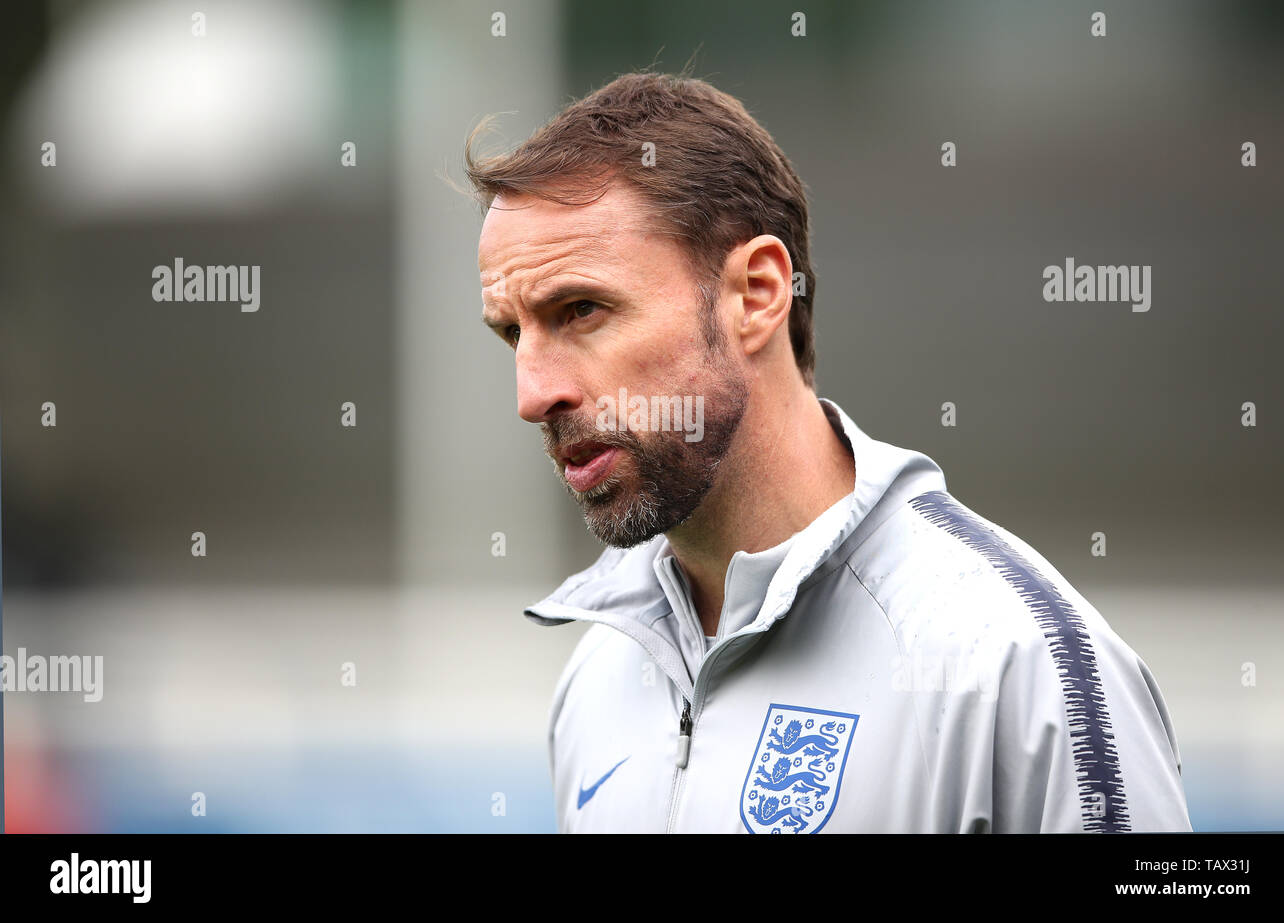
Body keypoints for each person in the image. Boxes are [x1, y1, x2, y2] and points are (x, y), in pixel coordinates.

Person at [467, 71, 1192, 833]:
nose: (533, 394)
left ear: (756, 294)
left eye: (581, 310)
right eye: (514, 333)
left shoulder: (1017, 666)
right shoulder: (599, 676)